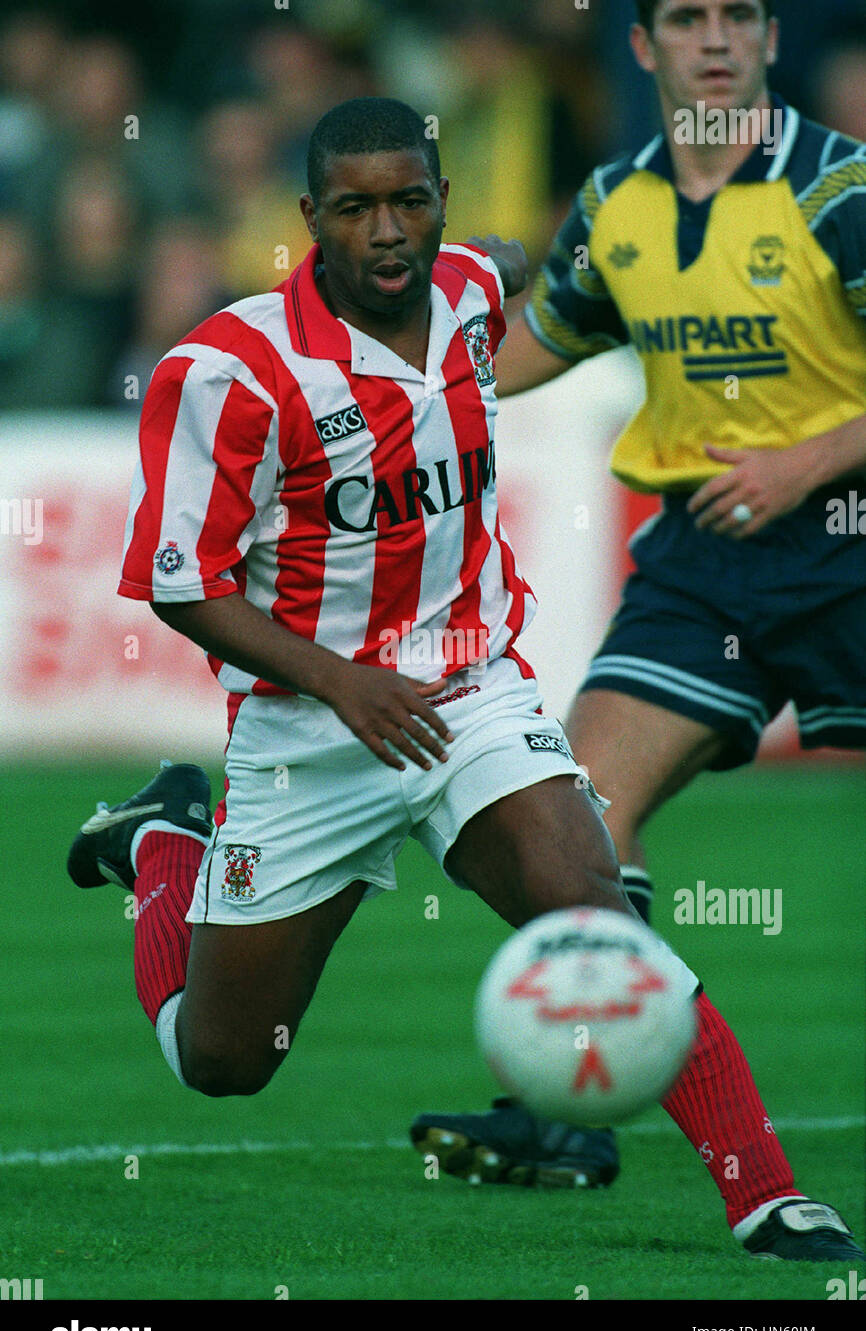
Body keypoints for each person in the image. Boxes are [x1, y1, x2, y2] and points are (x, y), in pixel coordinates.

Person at [68, 97, 860, 1263]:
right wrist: (342, 684)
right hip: (310, 728)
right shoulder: (227, 371)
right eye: (354, 208)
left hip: (467, 696)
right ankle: (162, 845)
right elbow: (183, 583)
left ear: (440, 202)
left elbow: (503, 259)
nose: (386, 232)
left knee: (591, 910)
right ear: (308, 219)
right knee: (221, 1062)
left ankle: (766, 1195)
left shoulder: (474, 301)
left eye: (409, 201)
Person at [416, 1, 866, 1257]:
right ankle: (575, 1110)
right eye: (684, 16)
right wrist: (398, 342)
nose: (712, 37)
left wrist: (804, 461)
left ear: (768, 37)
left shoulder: (836, 190)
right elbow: (528, 347)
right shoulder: (614, 201)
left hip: (849, 547)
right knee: (575, 827)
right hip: (703, 567)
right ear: (641, 47)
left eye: (736, 14)